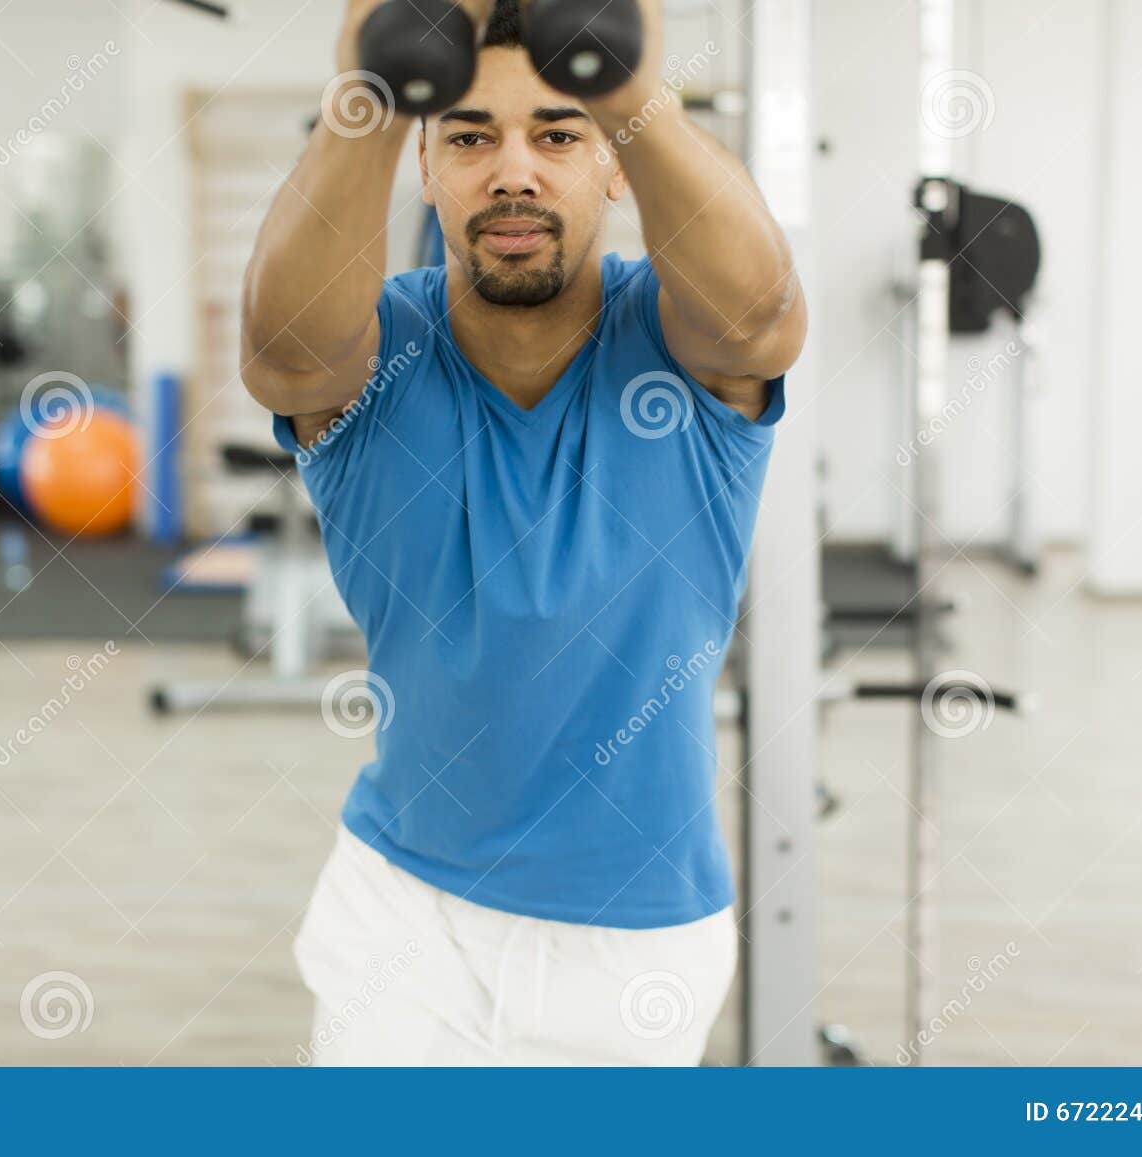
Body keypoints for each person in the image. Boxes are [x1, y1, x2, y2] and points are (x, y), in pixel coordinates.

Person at [242, 0, 807, 1065]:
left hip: (637, 943)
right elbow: (282, 350)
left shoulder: (682, 349)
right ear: (423, 162)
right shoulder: (380, 352)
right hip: (406, 918)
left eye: (558, 134)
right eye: (468, 137)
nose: (513, 171)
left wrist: (628, 84)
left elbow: (762, 312)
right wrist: (367, 88)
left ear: (614, 164)